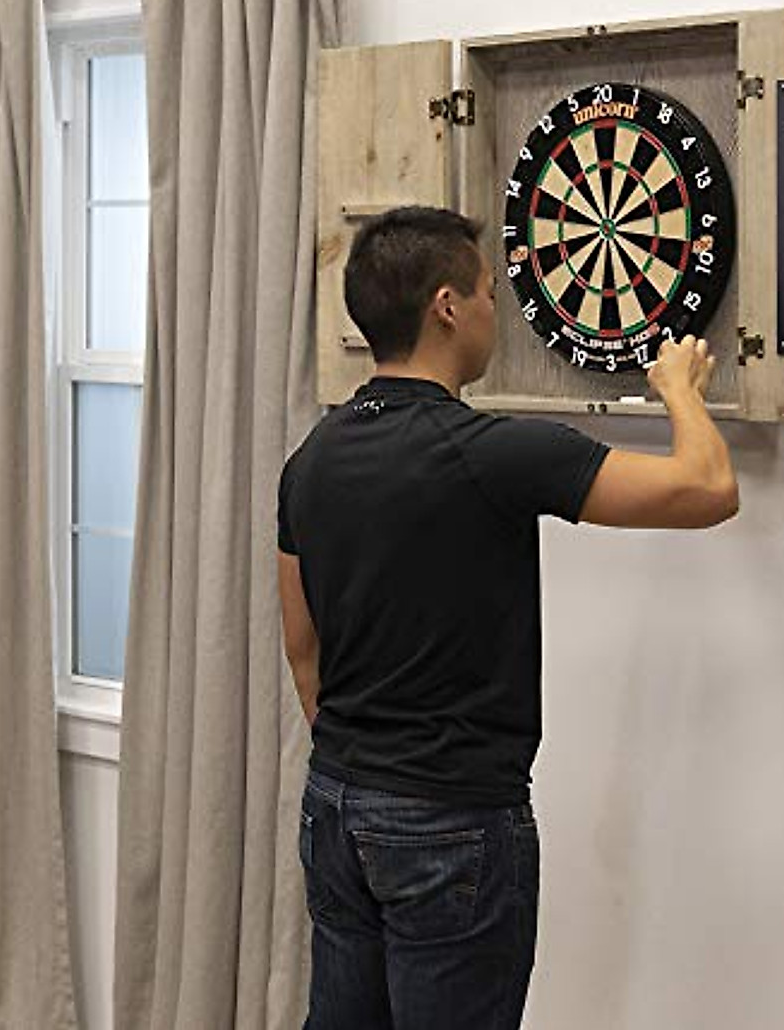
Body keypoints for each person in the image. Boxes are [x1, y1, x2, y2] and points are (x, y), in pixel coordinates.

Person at [277, 205, 738, 1030]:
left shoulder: (310, 460)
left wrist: (367, 762)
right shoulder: (494, 453)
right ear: (448, 306)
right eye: (491, 290)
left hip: (335, 804)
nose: (499, 308)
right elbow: (706, 490)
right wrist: (679, 391)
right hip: (449, 822)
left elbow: (302, 652)